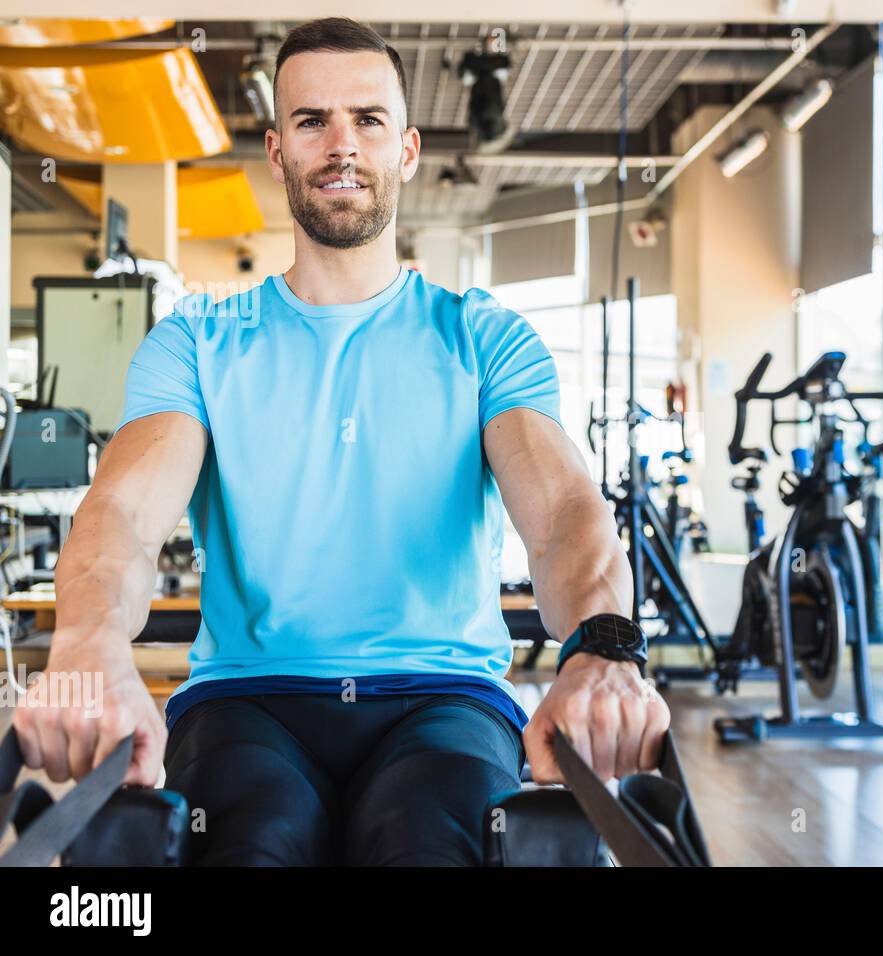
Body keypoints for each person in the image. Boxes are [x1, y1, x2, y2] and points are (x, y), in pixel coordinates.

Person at [11, 16, 668, 866]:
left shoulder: (482, 336)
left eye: (368, 119)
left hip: (446, 697)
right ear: (278, 149)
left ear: (407, 149)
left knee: (431, 843)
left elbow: (563, 516)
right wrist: (87, 646)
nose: (342, 144)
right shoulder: (199, 338)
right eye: (313, 121)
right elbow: (125, 515)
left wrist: (602, 645)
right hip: (248, 700)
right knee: (246, 845)